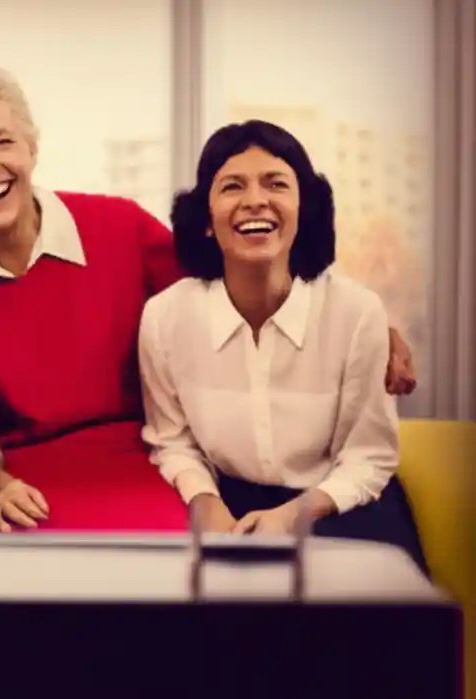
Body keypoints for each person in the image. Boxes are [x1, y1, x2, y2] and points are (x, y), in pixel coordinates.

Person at [0, 61, 419, 533]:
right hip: (25, 488)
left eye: (1, 142)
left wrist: (374, 331)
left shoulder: (119, 228)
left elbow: (238, 270)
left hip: (146, 469)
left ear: (31, 148)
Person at [139, 119, 427, 570]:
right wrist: (203, 500)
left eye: (276, 183)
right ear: (207, 221)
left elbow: (369, 456)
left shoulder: (357, 312)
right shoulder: (164, 317)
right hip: (227, 498)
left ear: (304, 209)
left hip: (340, 502)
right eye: (232, 186)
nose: (255, 200)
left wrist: (297, 514)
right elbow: (171, 440)